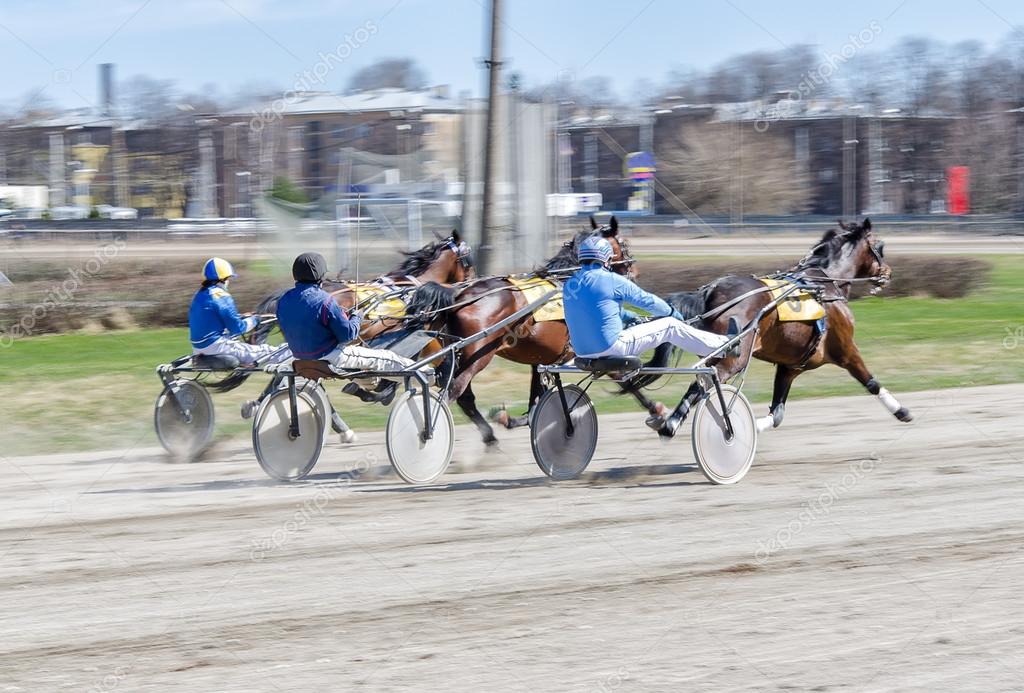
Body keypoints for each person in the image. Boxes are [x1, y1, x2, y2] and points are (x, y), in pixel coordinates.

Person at [275, 252, 430, 405]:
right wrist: (357, 317)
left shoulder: (283, 299)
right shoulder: (325, 300)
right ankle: (428, 375)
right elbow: (348, 335)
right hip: (331, 357)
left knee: (364, 365)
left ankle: (372, 386)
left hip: (298, 357)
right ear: (320, 275)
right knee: (387, 358)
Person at [563, 236, 739, 363]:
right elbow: (647, 301)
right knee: (670, 326)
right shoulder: (612, 280)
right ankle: (724, 345)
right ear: (605, 260)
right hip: (612, 348)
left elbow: (596, 309)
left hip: (582, 352)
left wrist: (630, 316)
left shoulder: (570, 284)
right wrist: (672, 312)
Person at [189, 257, 284, 366]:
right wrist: (255, 320)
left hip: (199, 349)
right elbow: (238, 328)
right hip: (218, 347)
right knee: (274, 352)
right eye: (229, 278)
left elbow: (214, 318)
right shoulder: (221, 296)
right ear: (223, 279)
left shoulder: (199, 295)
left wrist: (241, 316)